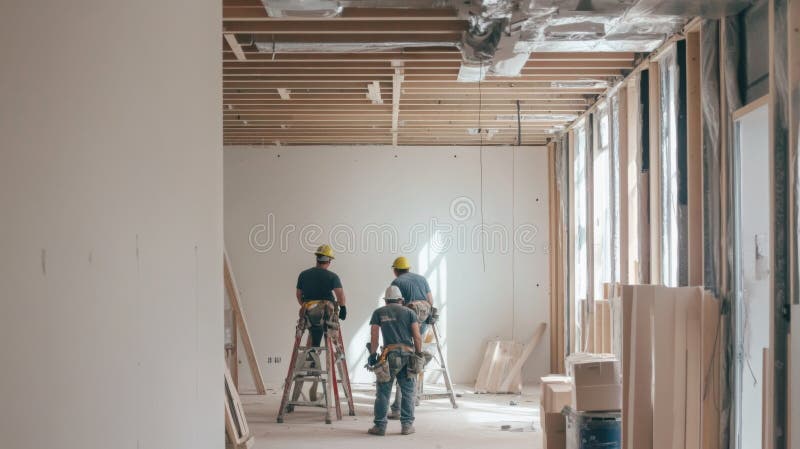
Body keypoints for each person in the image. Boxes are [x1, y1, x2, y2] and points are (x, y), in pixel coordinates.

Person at [367, 285, 423, 436]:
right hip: (407, 355)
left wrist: (373, 354)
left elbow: (374, 336)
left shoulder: (379, 312)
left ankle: (380, 426)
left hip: (388, 356)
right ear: (401, 300)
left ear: (386, 301)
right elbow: (417, 336)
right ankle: (407, 426)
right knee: (408, 392)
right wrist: (419, 354)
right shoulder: (410, 313)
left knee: (383, 392)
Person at [388, 256, 434, 419]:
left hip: (407, 325)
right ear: (408, 268)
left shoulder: (397, 283)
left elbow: (396, 307)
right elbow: (430, 301)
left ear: (395, 270)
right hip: (423, 322)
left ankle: (399, 406)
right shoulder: (422, 279)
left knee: (405, 363)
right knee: (415, 358)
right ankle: (412, 398)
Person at [295, 244, 347, 347]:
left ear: (317, 259)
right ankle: (333, 348)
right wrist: (343, 307)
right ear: (329, 261)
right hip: (327, 314)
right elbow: (340, 294)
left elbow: (298, 294)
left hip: (308, 314)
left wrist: (306, 305)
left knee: (314, 328)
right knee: (329, 317)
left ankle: (313, 350)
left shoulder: (303, 274)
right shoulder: (332, 276)